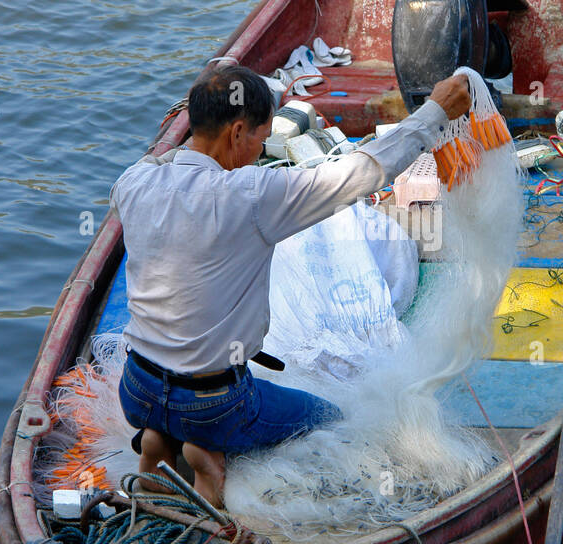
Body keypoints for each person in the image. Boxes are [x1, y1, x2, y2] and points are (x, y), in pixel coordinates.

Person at [110, 62, 471, 503]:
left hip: (138, 388)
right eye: (261, 141)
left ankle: (159, 440)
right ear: (237, 132)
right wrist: (435, 112)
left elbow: (166, 165)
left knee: (174, 404)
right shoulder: (251, 196)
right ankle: (209, 463)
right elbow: (361, 173)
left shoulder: (133, 182)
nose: (260, 154)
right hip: (211, 404)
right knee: (325, 415)